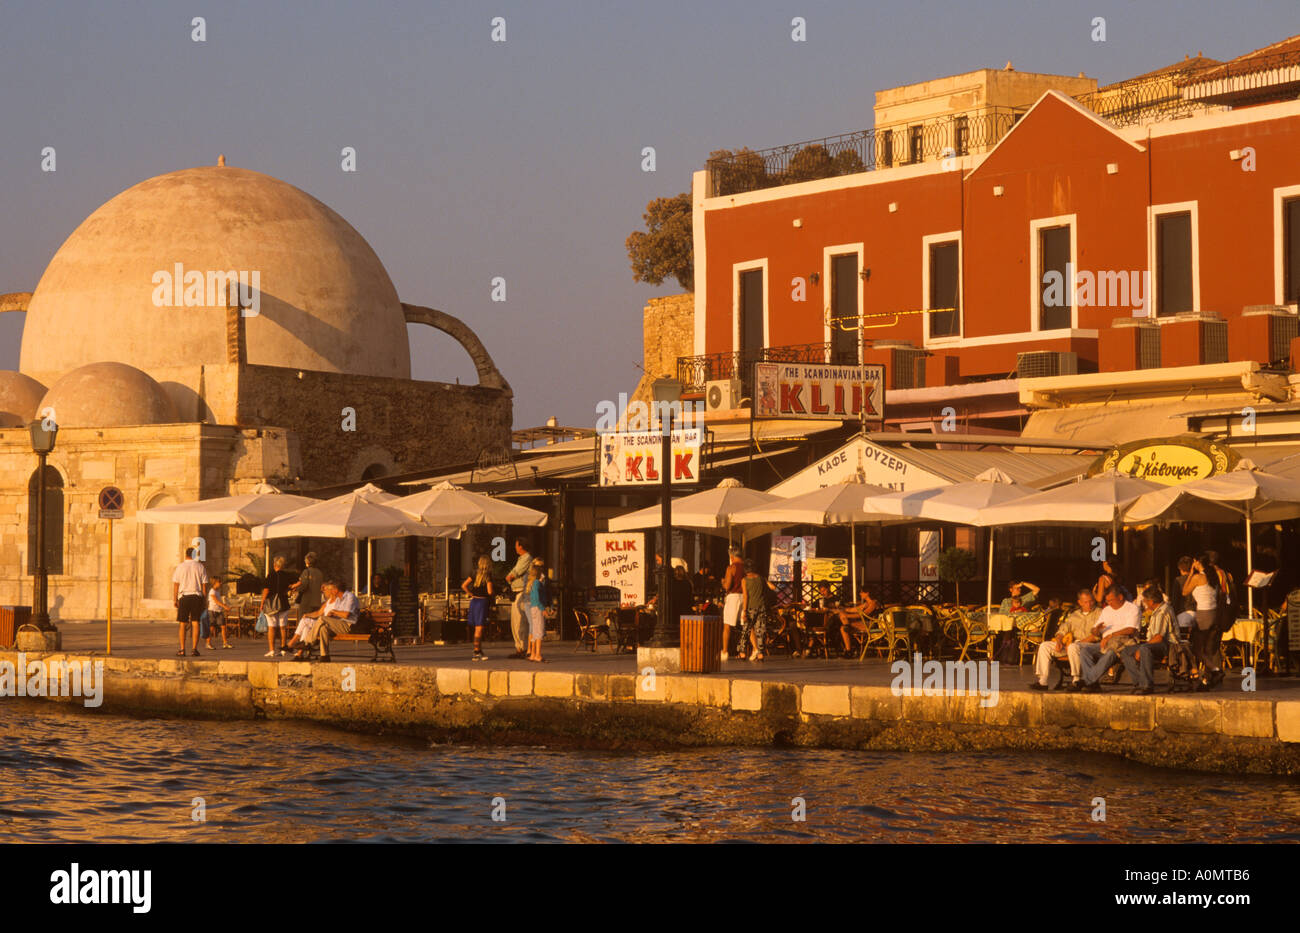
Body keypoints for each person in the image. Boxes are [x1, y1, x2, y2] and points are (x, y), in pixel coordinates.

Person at [1072, 586, 1141, 692]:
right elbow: (1095, 631)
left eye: (1111, 600)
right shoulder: (1106, 610)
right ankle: (1092, 683)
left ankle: (1086, 681)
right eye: (1107, 601)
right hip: (1105, 643)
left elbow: (1131, 629)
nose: (1109, 603)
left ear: (1120, 597)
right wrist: (1096, 630)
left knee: (1110, 653)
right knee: (1085, 651)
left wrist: (1111, 635)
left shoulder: (1132, 608)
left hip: (1123, 644)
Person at [1119, 586, 1185, 695]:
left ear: (1151, 601)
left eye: (1145, 600)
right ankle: (1140, 682)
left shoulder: (1163, 611)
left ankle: (1146, 685)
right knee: (1126, 651)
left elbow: (1159, 637)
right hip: (1156, 644)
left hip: (1169, 646)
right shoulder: (1156, 610)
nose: (1144, 603)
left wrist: (1141, 648)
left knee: (1144, 649)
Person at [1030, 589, 1100, 690]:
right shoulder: (1075, 614)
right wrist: (1059, 641)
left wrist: (1078, 643)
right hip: (1071, 645)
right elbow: (1062, 630)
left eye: (1091, 601)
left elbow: (1097, 635)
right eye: (1085, 602)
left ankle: (1076, 680)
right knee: (1045, 646)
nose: (1089, 604)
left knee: (1073, 646)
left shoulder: (1099, 613)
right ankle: (1043, 681)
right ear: (1079, 602)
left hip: (1089, 645)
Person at [1182, 553, 1226, 690]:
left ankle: (1216, 670)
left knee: (1197, 649)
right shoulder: (1213, 576)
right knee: (1208, 649)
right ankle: (1207, 679)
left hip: (1203, 614)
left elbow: (1184, 591)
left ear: (1197, 563)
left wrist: (1190, 573)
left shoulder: (1198, 577)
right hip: (1214, 613)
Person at [172, 547, 208, 657]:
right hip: (196, 597)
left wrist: (175, 599)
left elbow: (176, 584)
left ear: (186, 555)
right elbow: (204, 585)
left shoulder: (180, 567)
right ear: (194, 555)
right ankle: (194, 649)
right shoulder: (200, 566)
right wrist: (204, 600)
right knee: (195, 622)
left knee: (182, 623)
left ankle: (182, 649)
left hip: (184, 597)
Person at [739, 559, 775, 662]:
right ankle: (760, 653)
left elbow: (745, 596)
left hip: (750, 608)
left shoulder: (744, 580)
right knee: (760, 631)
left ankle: (742, 652)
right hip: (761, 607)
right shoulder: (761, 578)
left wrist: (744, 611)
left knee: (746, 630)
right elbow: (772, 587)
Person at [314, 579, 359, 661]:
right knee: (323, 628)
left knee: (322, 618)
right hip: (339, 624)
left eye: (331, 589)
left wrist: (334, 612)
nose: (330, 592)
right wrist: (331, 615)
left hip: (349, 625)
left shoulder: (350, 597)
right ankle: (324, 656)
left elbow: (346, 615)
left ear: (336, 590)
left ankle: (308, 642)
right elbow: (337, 614)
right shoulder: (338, 599)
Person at [260, 556, 296, 658]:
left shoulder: (271, 575)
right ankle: (283, 649)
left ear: (274, 564)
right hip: (283, 603)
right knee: (282, 627)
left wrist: (262, 602)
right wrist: (292, 588)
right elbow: (295, 584)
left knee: (271, 627)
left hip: (271, 604)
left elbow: (266, 590)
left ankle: (271, 650)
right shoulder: (286, 575)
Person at [504, 539, 533, 659]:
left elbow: (515, 572)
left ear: (521, 546)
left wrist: (510, 577)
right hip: (516, 591)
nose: (515, 547)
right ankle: (519, 647)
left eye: (516, 545)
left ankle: (523, 648)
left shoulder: (527, 557)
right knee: (515, 622)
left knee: (521, 622)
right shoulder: (521, 558)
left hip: (522, 591)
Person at [462, 555, 494, 661]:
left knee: (476, 627)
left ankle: (479, 650)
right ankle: (476, 651)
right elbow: (490, 591)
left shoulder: (474, 573)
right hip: (482, 602)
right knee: (479, 628)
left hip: (474, 601)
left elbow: (464, 585)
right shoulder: (488, 575)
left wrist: (471, 593)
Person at [838, 585, 880, 656]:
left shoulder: (874, 603)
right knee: (843, 627)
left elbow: (863, 615)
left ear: (867, 593)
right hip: (864, 624)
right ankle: (848, 650)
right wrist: (842, 609)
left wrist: (847, 616)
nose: (860, 594)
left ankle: (847, 628)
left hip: (872, 625)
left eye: (861, 592)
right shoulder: (866, 604)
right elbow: (853, 610)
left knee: (844, 624)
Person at [720, 547, 744, 661]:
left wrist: (723, 582)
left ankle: (725, 651)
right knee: (746, 625)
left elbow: (727, 586)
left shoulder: (731, 567)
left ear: (732, 556)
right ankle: (754, 649)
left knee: (727, 626)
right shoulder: (746, 567)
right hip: (745, 597)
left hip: (733, 597)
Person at [289, 552, 324, 621]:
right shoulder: (320, 573)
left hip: (307, 602)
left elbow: (304, 586)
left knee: (303, 622)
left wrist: (296, 589)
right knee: (314, 622)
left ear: (307, 562)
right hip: (317, 601)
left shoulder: (306, 571)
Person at [201, 577, 234, 651]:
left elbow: (219, 601)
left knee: (223, 626)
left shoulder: (217, 591)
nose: (220, 583)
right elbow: (216, 601)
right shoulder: (212, 591)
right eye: (219, 582)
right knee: (211, 627)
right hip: (212, 611)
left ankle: (225, 643)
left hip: (219, 611)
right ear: (215, 583)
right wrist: (224, 607)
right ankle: (208, 643)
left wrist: (224, 606)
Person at [525, 564, 548, 662]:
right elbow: (537, 597)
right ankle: (538, 655)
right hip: (538, 608)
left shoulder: (532, 583)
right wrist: (543, 609)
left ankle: (533, 654)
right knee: (539, 631)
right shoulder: (537, 583)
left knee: (534, 631)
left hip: (532, 608)